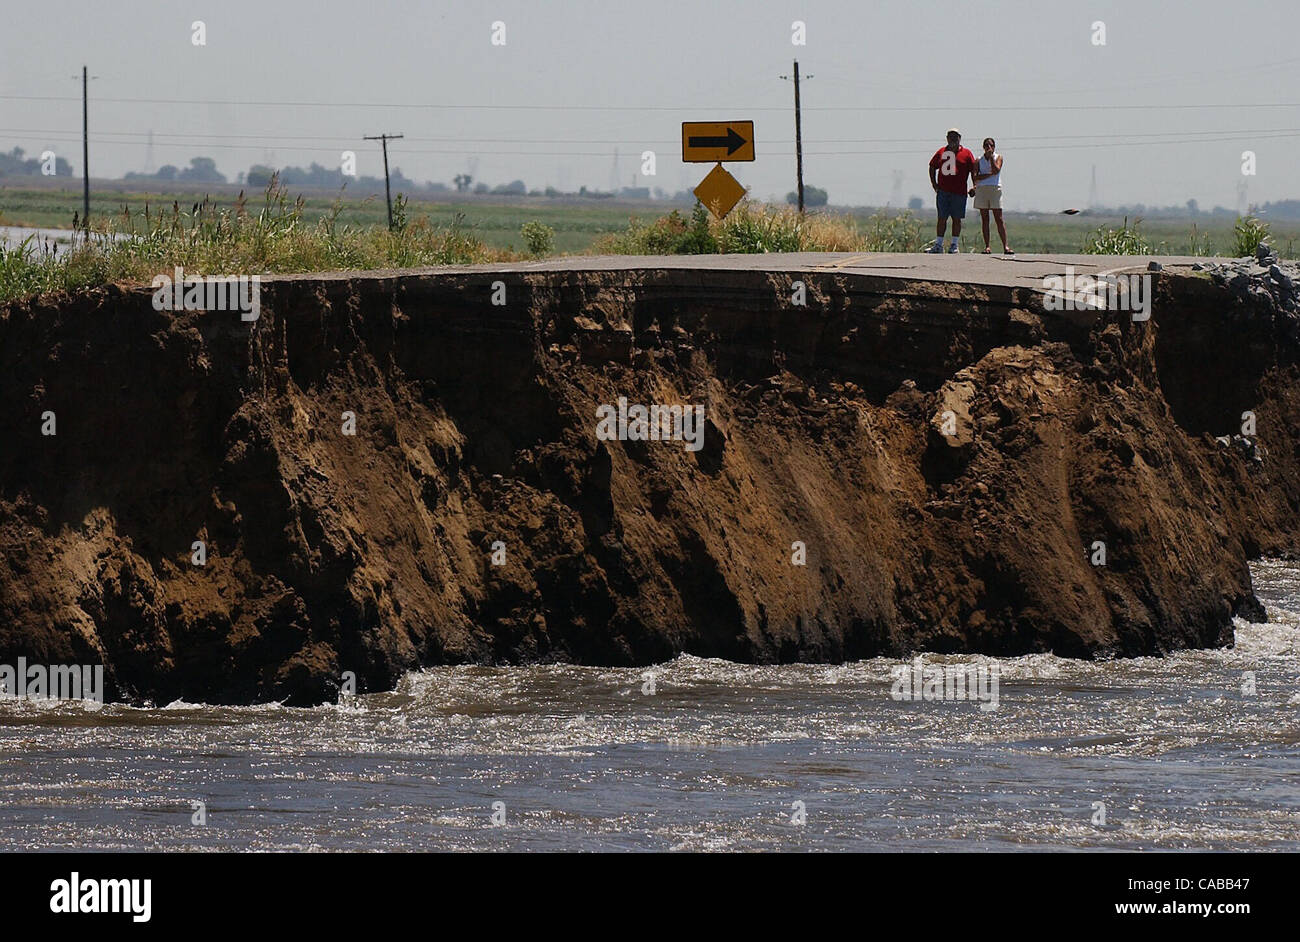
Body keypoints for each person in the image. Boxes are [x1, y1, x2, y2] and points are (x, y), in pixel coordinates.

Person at [926, 128, 976, 253]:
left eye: (955, 136)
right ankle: (938, 244)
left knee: (956, 218)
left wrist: (975, 186)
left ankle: (954, 244)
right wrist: (934, 184)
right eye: (950, 136)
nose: (953, 139)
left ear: (960, 138)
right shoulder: (941, 151)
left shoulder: (966, 153)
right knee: (942, 218)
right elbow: (932, 166)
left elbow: (973, 170)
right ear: (947, 138)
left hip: (959, 192)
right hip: (943, 191)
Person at [970, 137, 1013, 254]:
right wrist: (986, 176)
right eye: (986, 145)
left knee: (998, 218)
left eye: (991, 145)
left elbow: (996, 170)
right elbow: (975, 176)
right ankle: (987, 246)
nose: (989, 148)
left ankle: (1005, 246)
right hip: (982, 189)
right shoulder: (978, 160)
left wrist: (990, 159)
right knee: (985, 219)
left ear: (994, 147)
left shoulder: (998, 157)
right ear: (983, 147)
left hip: (995, 188)